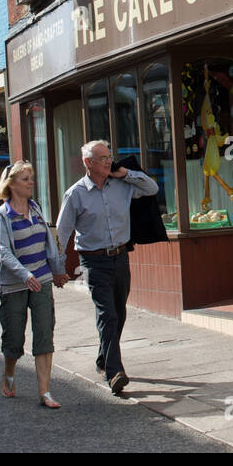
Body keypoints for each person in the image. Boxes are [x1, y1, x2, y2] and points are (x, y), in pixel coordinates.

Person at [54, 140, 157, 394]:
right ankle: (115, 372)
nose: (108, 161)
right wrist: (58, 267)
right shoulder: (75, 194)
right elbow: (62, 232)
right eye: (102, 158)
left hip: (120, 257)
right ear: (87, 163)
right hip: (93, 260)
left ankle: (103, 359)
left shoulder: (122, 185)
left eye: (109, 157)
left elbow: (152, 188)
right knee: (107, 314)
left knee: (118, 313)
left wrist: (126, 173)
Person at [0, 161, 67, 408]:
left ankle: (45, 392)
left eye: (31, 178)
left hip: (42, 280)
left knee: (45, 334)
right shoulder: (1, 216)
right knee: (13, 338)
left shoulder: (36, 208)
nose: (31, 182)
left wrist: (57, 272)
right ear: (11, 185)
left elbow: (48, 242)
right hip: (15, 285)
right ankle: (9, 373)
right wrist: (24, 275)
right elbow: (3, 251)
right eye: (25, 179)